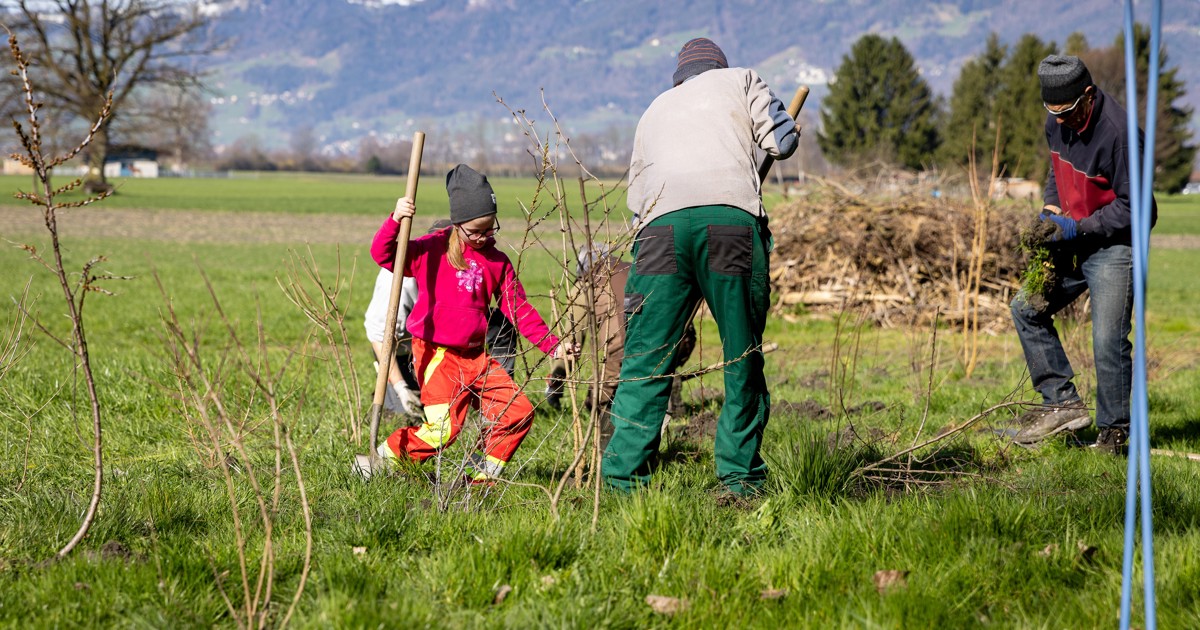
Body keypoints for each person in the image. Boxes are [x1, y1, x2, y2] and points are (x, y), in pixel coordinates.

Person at [602, 38, 799, 496]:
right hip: (729, 225)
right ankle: (740, 476)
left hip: (658, 233)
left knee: (646, 360)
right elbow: (781, 141)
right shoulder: (742, 80)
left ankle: (622, 481)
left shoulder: (654, 109)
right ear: (718, 67)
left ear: (679, 77)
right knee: (740, 355)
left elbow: (637, 201)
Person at [365, 164, 575, 482]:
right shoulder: (431, 250)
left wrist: (554, 346)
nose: (482, 237)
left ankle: (475, 481)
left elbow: (520, 310)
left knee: (517, 413)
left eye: (490, 229)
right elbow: (383, 254)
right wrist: (396, 219)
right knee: (443, 430)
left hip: (476, 358)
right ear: (457, 223)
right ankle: (382, 461)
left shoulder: (497, 262)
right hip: (437, 354)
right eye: (475, 231)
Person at [1010, 55, 1155, 453]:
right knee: (1026, 308)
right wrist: (1052, 210)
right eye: (1053, 113)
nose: (1062, 121)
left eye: (1069, 112)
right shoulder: (1057, 123)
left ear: (1088, 96)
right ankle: (1062, 404)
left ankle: (1114, 434)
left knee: (1108, 339)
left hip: (1114, 245)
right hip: (1073, 239)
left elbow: (1140, 207)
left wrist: (1081, 226)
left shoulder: (1120, 135)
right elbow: (1057, 171)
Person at [363, 220, 520, 418]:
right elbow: (380, 340)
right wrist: (401, 387)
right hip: (405, 352)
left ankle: (494, 404)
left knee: (500, 323)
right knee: (410, 414)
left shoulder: (466, 269)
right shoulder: (397, 284)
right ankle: (393, 396)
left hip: (449, 345)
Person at [545, 244, 696, 449]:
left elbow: (571, 341)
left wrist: (557, 385)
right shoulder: (635, 271)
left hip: (623, 352)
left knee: (601, 400)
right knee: (648, 383)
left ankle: (614, 456)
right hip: (675, 343)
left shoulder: (586, 287)